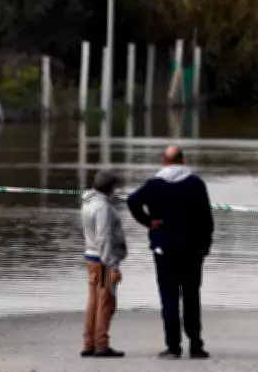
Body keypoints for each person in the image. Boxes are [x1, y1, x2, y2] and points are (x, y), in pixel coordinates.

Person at [127, 146, 214, 359]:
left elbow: (132, 201)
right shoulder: (196, 184)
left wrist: (147, 222)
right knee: (192, 296)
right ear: (182, 160)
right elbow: (206, 217)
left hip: (164, 248)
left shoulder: (154, 185)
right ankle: (196, 344)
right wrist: (206, 245)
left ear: (163, 160)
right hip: (192, 249)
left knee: (169, 298)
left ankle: (173, 346)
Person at [81, 170, 127, 358]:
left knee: (93, 302)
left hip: (91, 257)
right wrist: (112, 265)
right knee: (106, 303)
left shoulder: (88, 202)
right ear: (110, 187)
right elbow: (104, 237)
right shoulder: (103, 208)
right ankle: (101, 343)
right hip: (103, 260)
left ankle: (89, 343)